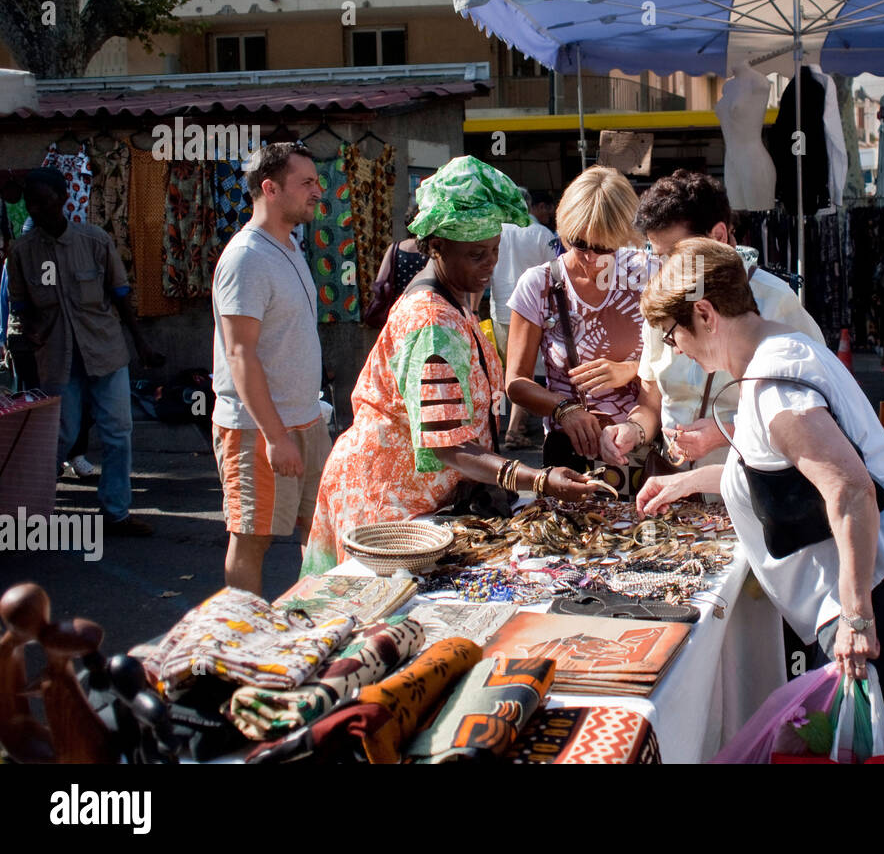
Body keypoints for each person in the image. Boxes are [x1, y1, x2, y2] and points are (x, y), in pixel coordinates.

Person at [637, 237, 884, 761]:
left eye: (672, 333)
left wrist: (856, 616)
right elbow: (789, 477)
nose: (674, 348)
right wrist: (686, 483)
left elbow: (849, 490)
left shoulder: (775, 385)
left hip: (878, 588)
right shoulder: (780, 353)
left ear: (704, 313)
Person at [302, 158, 601, 574]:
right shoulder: (431, 323)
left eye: (495, 251)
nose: (490, 264)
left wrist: (560, 409)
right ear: (436, 246)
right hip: (387, 504)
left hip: (415, 498)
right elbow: (448, 444)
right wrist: (537, 480)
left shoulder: (453, 301)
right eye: (476, 255)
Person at [600, 169, 822, 489]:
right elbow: (651, 402)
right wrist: (632, 430)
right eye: (660, 257)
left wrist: (723, 433)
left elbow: (812, 419)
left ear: (718, 236)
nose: (666, 269)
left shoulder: (776, 303)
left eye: (675, 255)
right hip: (677, 490)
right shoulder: (665, 300)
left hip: (755, 492)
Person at [5, 168, 162, 536]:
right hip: (57, 359)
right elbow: (21, 306)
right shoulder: (22, 253)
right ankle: (31, 514)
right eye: (31, 205)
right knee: (59, 435)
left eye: (44, 203)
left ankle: (116, 513)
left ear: (62, 200)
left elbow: (121, 296)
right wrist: (26, 341)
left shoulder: (94, 241)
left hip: (105, 353)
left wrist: (141, 344)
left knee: (117, 433)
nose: (37, 211)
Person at [212, 143, 333, 595]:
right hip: (259, 429)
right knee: (252, 539)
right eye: (306, 182)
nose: (318, 191)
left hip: (305, 417)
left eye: (317, 181)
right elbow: (239, 354)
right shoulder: (246, 257)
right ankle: (243, 643)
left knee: (320, 530)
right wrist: (276, 437)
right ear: (270, 188)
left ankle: (317, 626)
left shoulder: (289, 246)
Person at [505, 166, 648, 473]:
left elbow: (678, 362)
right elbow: (516, 383)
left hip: (638, 447)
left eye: (604, 248)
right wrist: (563, 409)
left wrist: (633, 370)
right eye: (579, 244)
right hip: (569, 454)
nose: (591, 259)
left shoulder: (644, 274)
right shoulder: (539, 284)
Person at [489, 187, 559, 449]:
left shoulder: (497, 231)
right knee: (526, 371)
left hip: (501, 309)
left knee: (511, 368)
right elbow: (558, 273)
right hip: (534, 311)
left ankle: (508, 425)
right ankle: (515, 428)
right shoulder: (541, 233)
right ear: (529, 205)